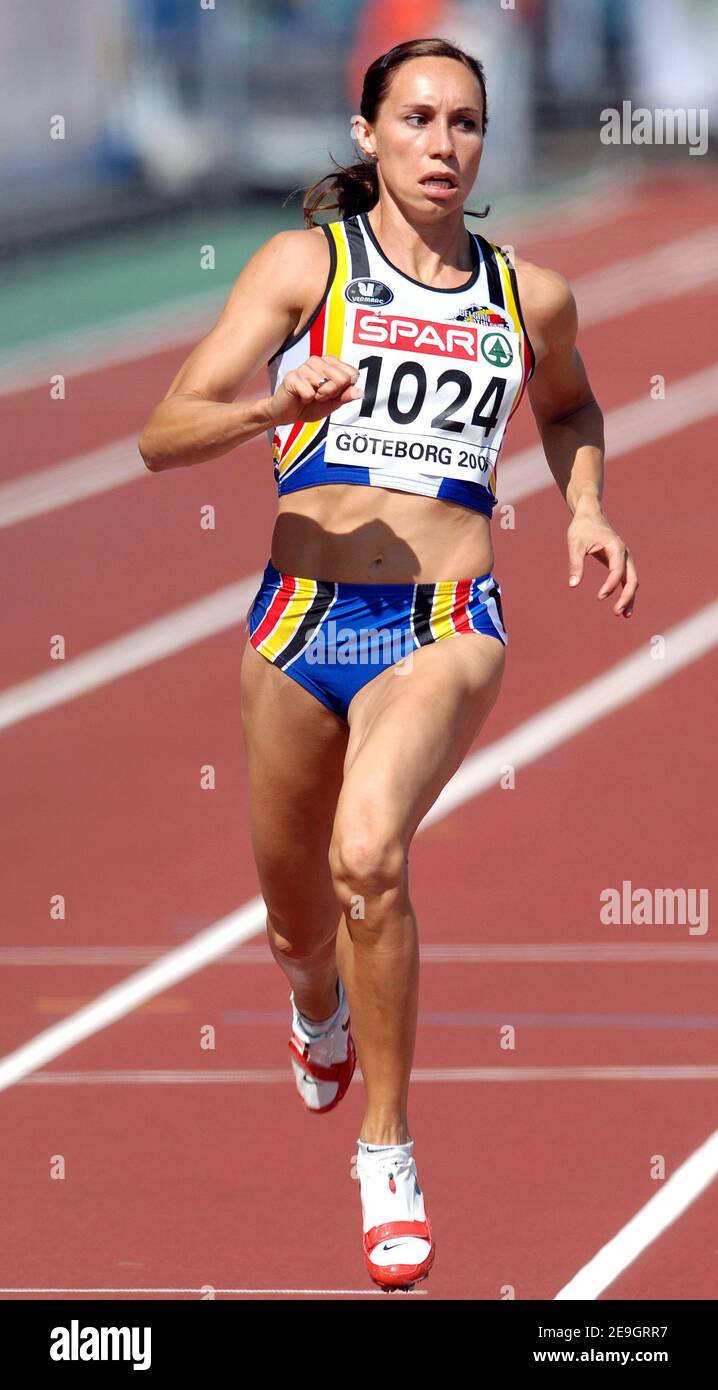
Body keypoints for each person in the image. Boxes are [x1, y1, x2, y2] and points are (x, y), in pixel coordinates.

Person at [138, 36, 639, 1293]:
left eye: (464, 122)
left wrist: (583, 504)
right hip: (296, 623)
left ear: (483, 144)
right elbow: (163, 431)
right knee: (297, 918)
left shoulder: (531, 295)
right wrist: (272, 404)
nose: (441, 143)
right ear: (368, 135)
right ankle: (317, 1012)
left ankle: (389, 1147)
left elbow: (569, 404)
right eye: (415, 118)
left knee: (369, 855)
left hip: (444, 624)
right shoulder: (307, 268)